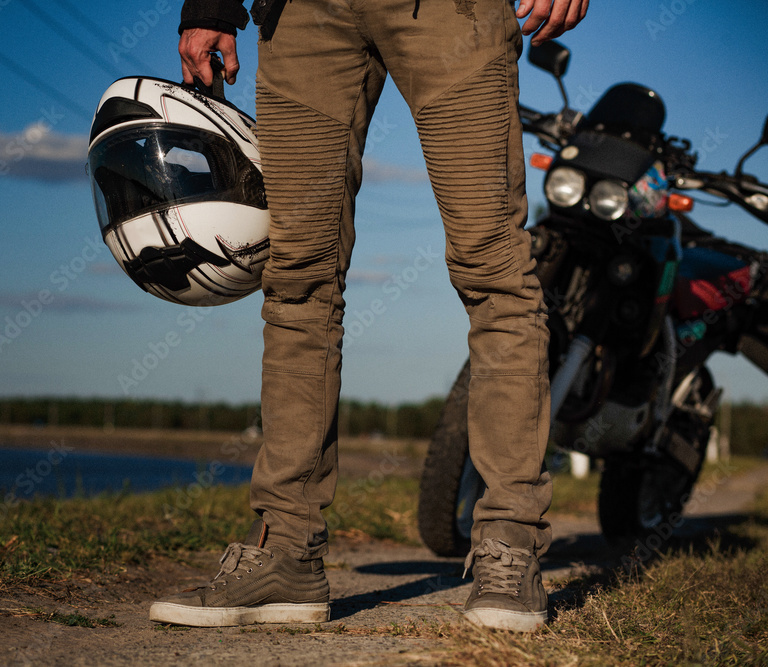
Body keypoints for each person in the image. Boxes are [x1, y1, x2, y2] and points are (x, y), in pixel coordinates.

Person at [149, 0, 588, 632]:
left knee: (495, 269)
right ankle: (286, 551)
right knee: (297, 278)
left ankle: (510, 545)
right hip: (300, 14)